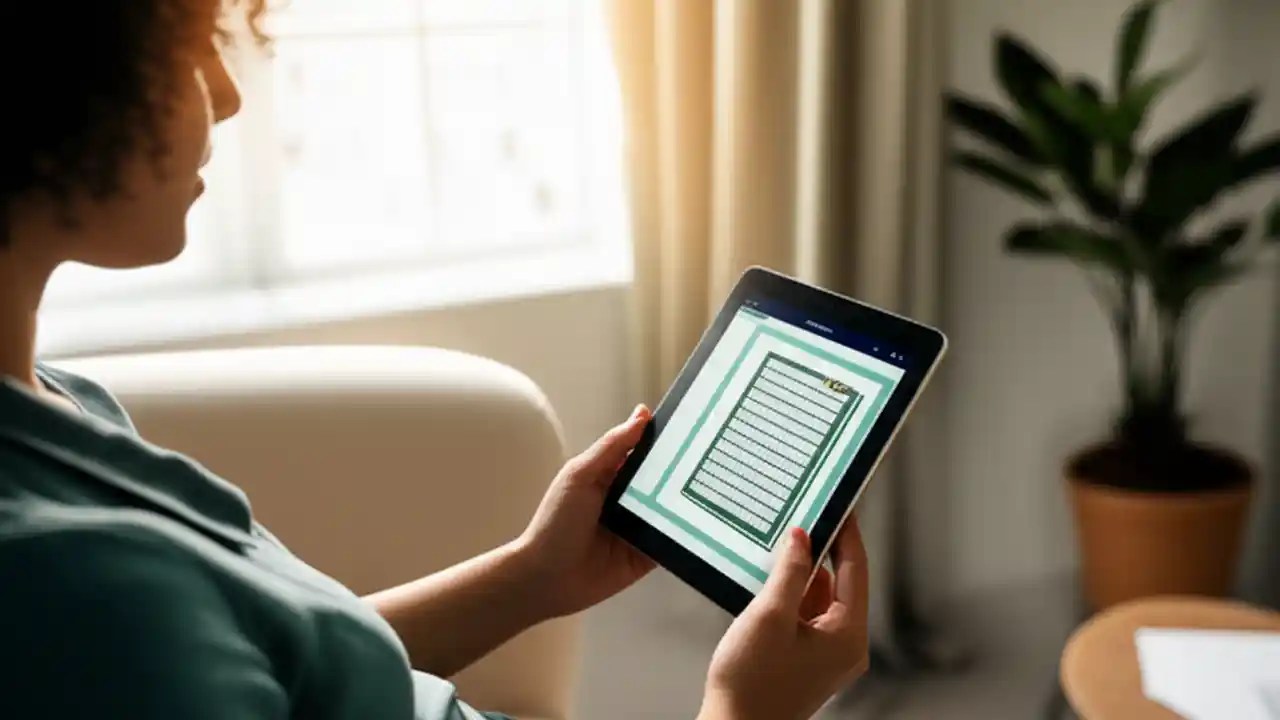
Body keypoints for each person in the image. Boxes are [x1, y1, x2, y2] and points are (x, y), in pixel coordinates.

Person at [0, 2, 869, 718]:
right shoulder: (66, 588)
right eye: (192, 53)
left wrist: (533, 575)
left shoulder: (57, 409)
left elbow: (286, 666)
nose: (227, 97)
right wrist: (748, 708)